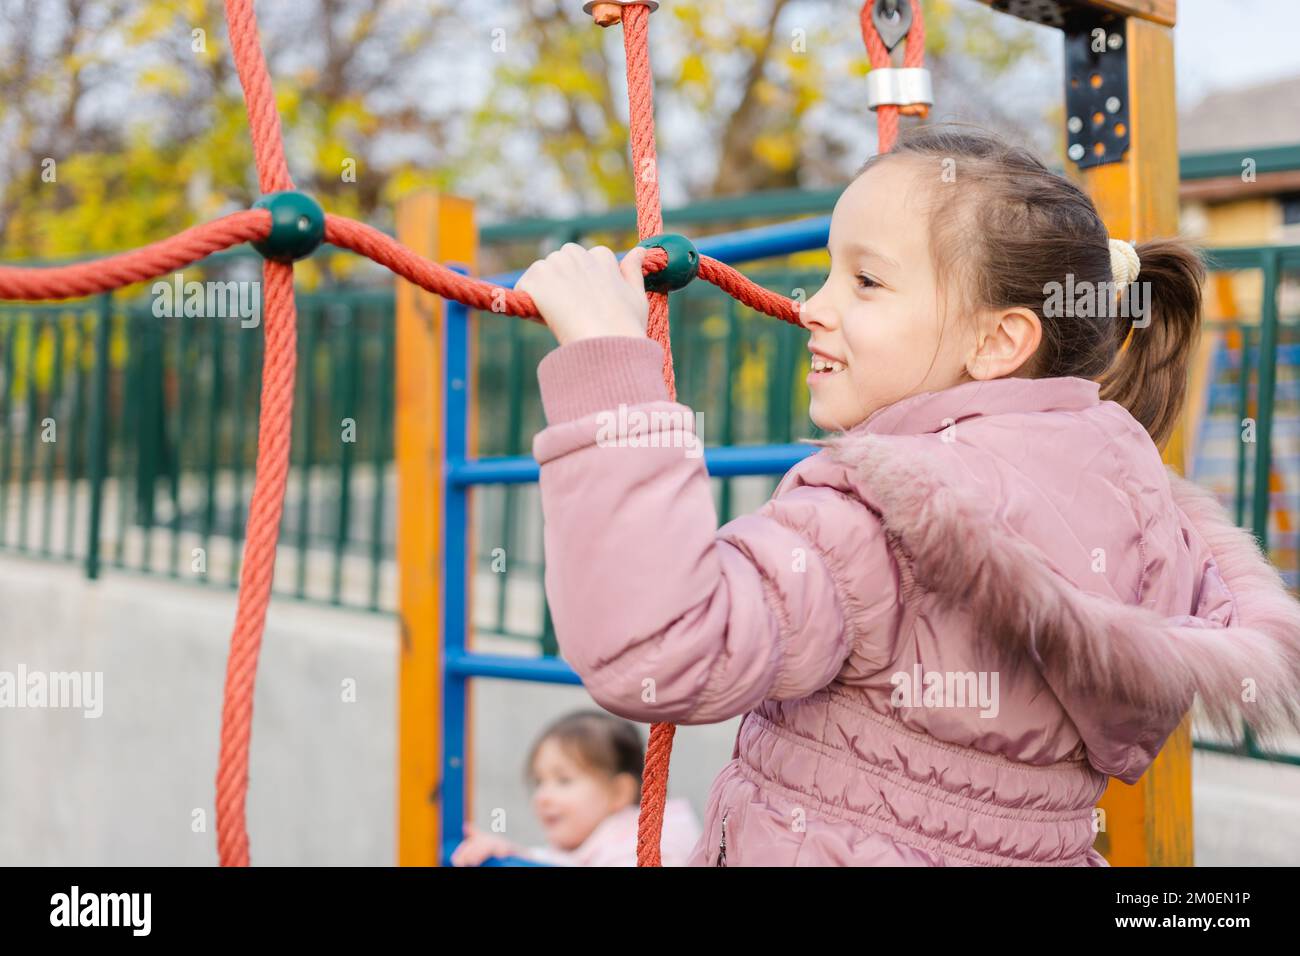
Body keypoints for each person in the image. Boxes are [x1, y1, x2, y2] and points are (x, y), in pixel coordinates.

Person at [512, 124, 1300, 866]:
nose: (812, 306)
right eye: (828, 271)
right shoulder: (1139, 516)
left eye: (865, 281)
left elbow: (663, 645)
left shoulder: (879, 520)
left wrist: (610, 372)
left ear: (997, 342)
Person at [451, 710, 701, 866]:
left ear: (619, 793)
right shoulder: (591, 841)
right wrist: (509, 854)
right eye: (539, 782)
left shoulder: (648, 845)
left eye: (564, 781)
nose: (542, 797)